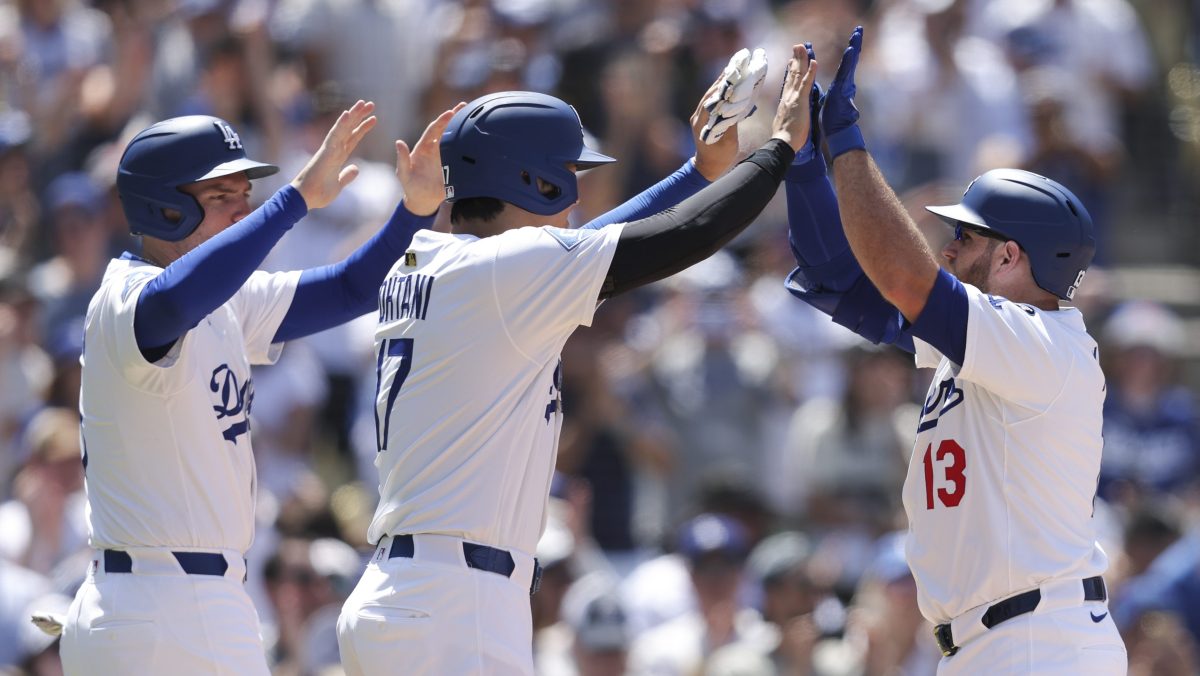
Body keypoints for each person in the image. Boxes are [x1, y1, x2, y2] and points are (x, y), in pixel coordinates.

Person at [336, 44, 819, 675]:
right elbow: (688, 235)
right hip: (453, 603)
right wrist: (778, 148)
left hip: (416, 591)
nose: (576, 199)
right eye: (569, 176)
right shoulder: (504, 271)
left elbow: (601, 238)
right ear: (535, 182)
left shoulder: (443, 263)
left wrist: (699, 173)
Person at [58, 99, 459, 674]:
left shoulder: (227, 302)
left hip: (186, 602)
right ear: (165, 208)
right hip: (158, 604)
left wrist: (415, 210)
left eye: (246, 193)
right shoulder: (125, 299)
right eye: (222, 195)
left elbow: (350, 287)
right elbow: (174, 302)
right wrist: (293, 201)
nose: (243, 209)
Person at [783, 28, 1125, 673]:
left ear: (1010, 255)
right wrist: (804, 162)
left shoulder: (1043, 344)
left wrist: (846, 142)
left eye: (965, 238)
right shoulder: (995, 343)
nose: (947, 249)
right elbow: (840, 278)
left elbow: (904, 277)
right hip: (996, 642)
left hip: (1037, 641)